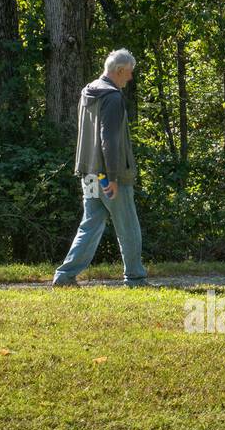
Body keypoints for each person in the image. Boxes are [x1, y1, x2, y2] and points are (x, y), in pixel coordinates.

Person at [52, 49, 151, 288]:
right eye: (129, 73)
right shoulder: (113, 98)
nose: (130, 78)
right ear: (119, 71)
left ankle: (65, 276)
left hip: (89, 171)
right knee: (128, 225)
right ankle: (135, 278)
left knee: (91, 225)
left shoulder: (88, 93)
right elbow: (109, 140)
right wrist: (113, 178)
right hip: (109, 175)